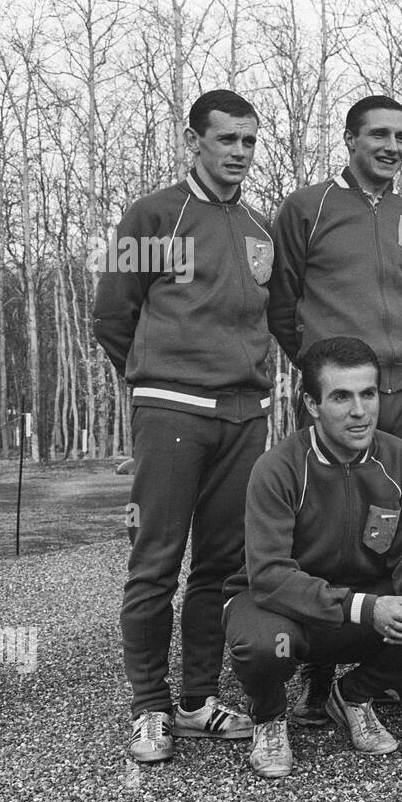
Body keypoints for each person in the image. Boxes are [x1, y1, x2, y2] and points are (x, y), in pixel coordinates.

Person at [94, 89, 275, 763]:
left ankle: (198, 700)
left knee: (224, 566)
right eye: (226, 139)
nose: (238, 153)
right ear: (193, 140)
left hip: (244, 417)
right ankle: (149, 706)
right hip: (171, 412)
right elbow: (113, 314)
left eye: (249, 141)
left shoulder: (261, 226)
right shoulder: (155, 214)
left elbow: (268, 319)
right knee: (156, 562)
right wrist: (155, 379)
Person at [268, 94, 402, 726]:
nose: (391, 147)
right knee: (326, 522)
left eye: (401, 136)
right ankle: (317, 667)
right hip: (343, 390)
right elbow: (282, 301)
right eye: (378, 136)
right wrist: (324, 368)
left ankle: (392, 660)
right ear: (349, 139)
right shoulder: (306, 208)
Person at [222, 338, 402, 778]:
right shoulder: (278, 469)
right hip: (291, 612)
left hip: (363, 607)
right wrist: (367, 608)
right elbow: (270, 576)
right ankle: (269, 717)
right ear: (312, 404)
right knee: (261, 646)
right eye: (341, 397)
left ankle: (352, 695)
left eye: (368, 394)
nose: (359, 411)